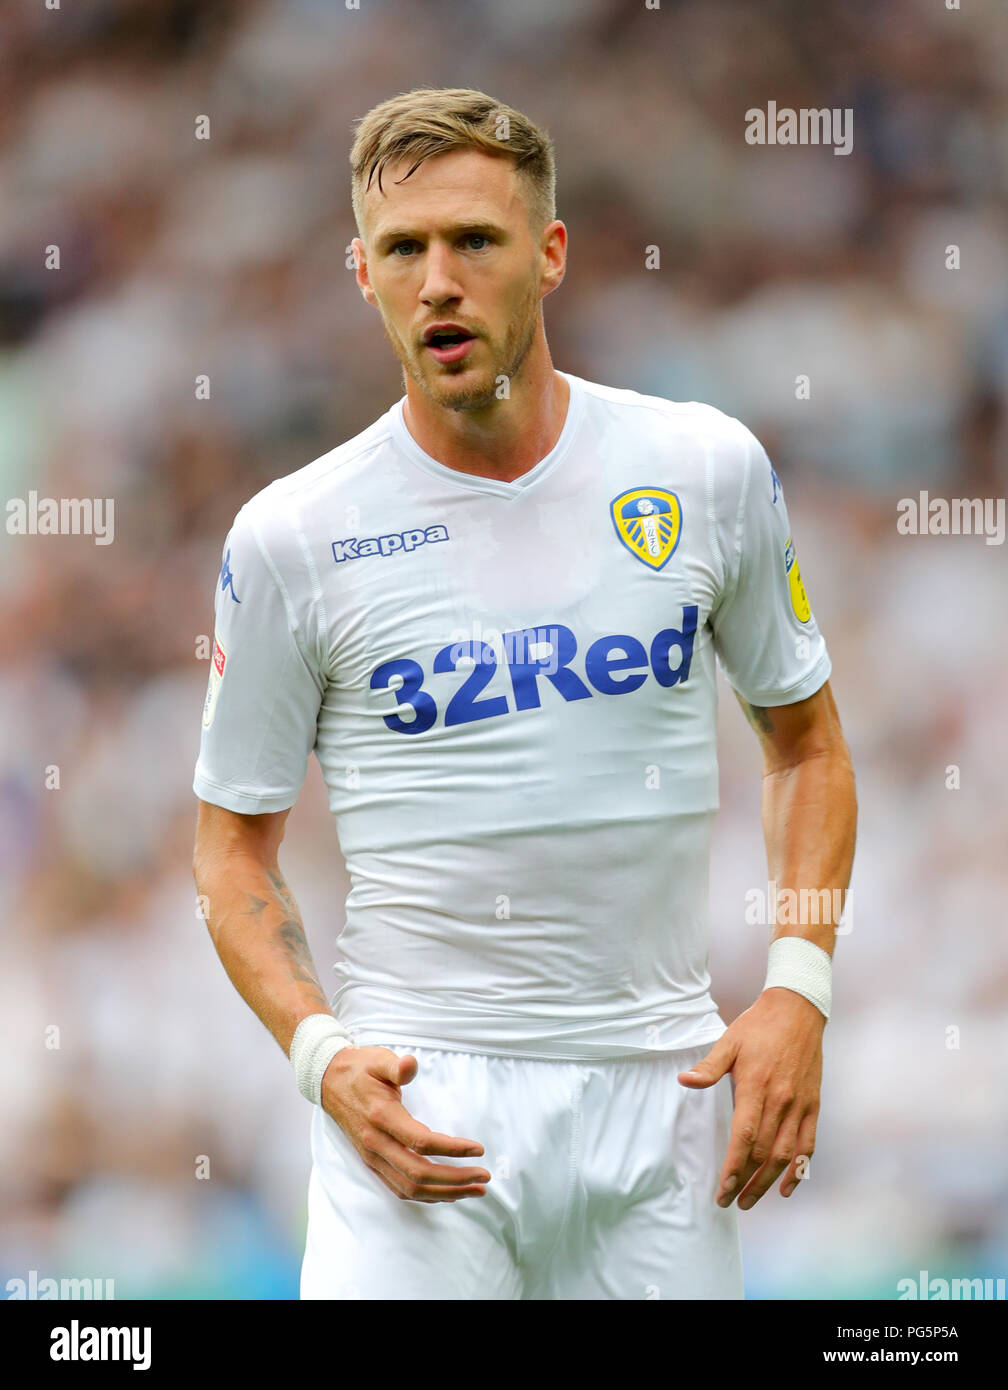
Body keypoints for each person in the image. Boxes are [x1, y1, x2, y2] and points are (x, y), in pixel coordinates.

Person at [192, 87, 857, 1301]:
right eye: (402, 249)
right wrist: (320, 1054)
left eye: (473, 241)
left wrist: (800, 989)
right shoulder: (294, 536)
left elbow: (806, 745)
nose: (437, 280)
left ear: (549, 255)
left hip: (663, 1096)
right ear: (364, 273)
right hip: (416, 1109)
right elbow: (233, 851)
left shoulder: (702, 470)